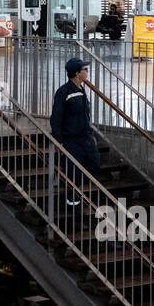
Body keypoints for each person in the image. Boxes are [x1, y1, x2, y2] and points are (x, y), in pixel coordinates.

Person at [51, 57, 98, 205]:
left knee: (94, 162)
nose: (87, 72)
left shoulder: (81, 90)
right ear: (77, 73)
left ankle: (75, 189)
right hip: (71, 139)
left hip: (85, 136)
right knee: (73, 169)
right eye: (85, 70)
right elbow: (56, 117)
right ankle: (71, 200)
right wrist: (58, 139)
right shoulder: (64, 92)